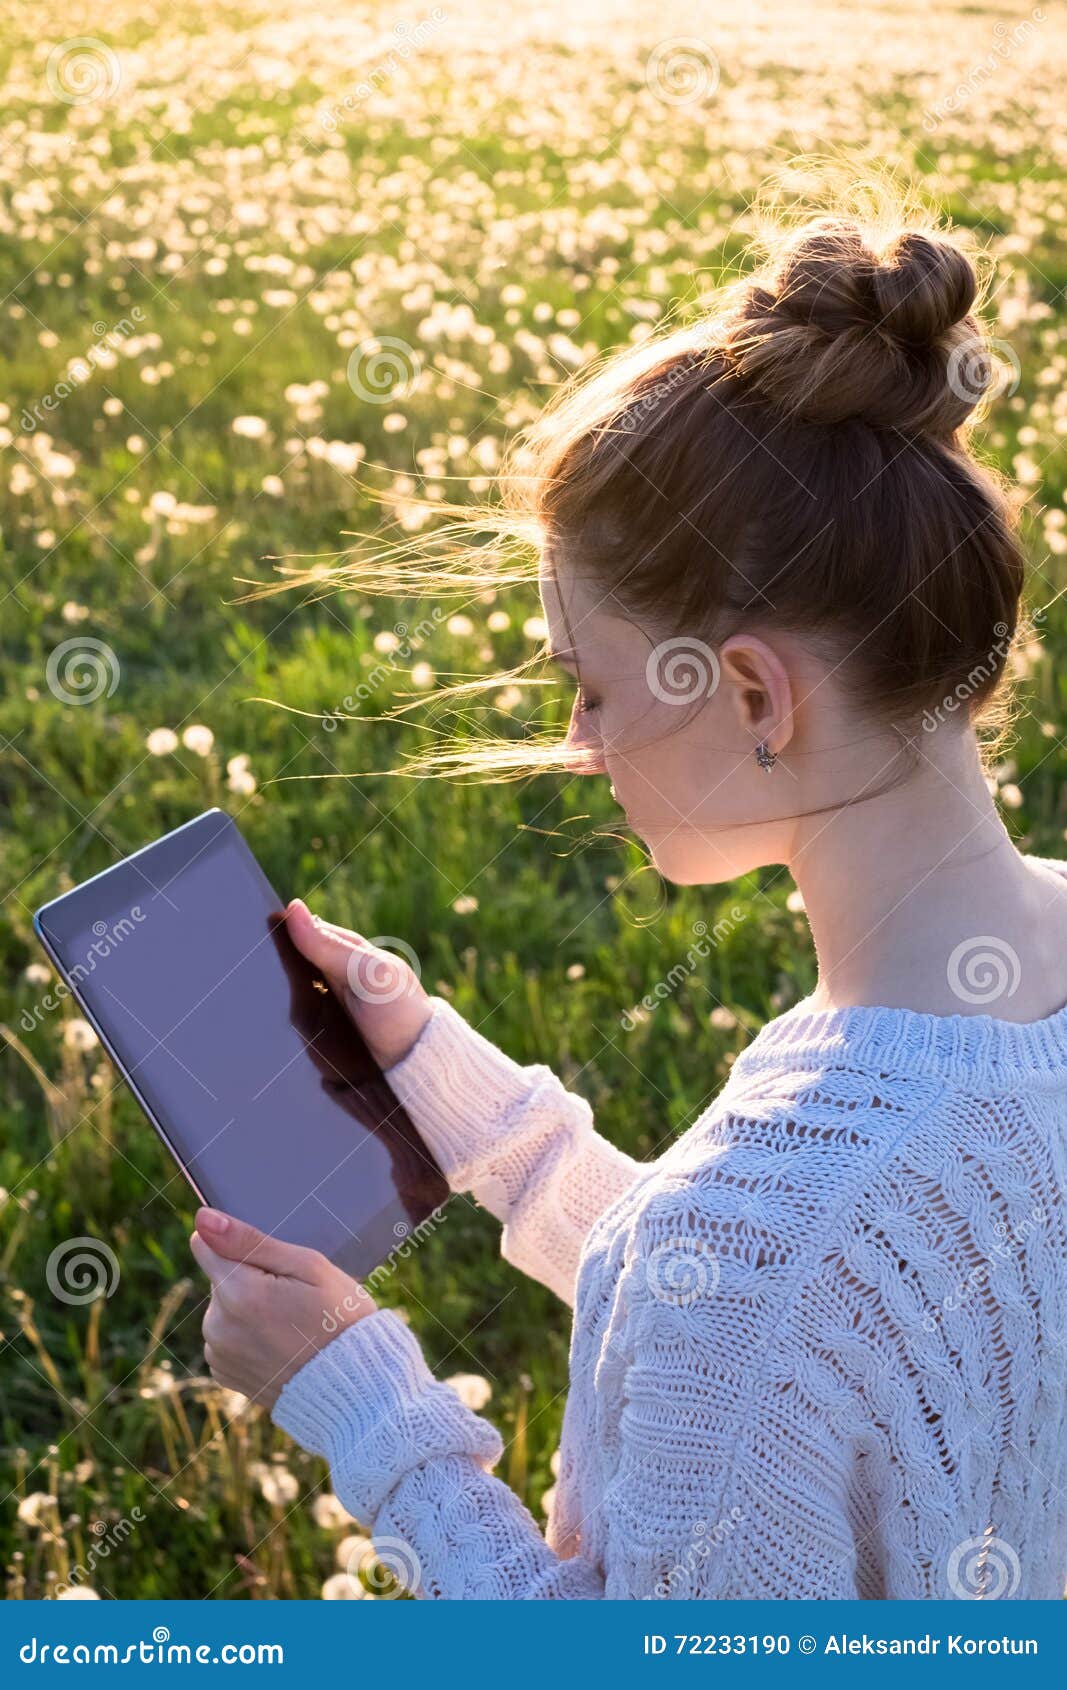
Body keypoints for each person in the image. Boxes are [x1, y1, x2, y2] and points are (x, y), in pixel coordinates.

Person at [189, 195, 1067, 1599]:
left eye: (589, 685)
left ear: (752, 693)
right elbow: (798, 1320)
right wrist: (466, 1101)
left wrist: (366, 1407)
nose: (582, 742)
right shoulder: (992, 1018)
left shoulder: (770, 1231)